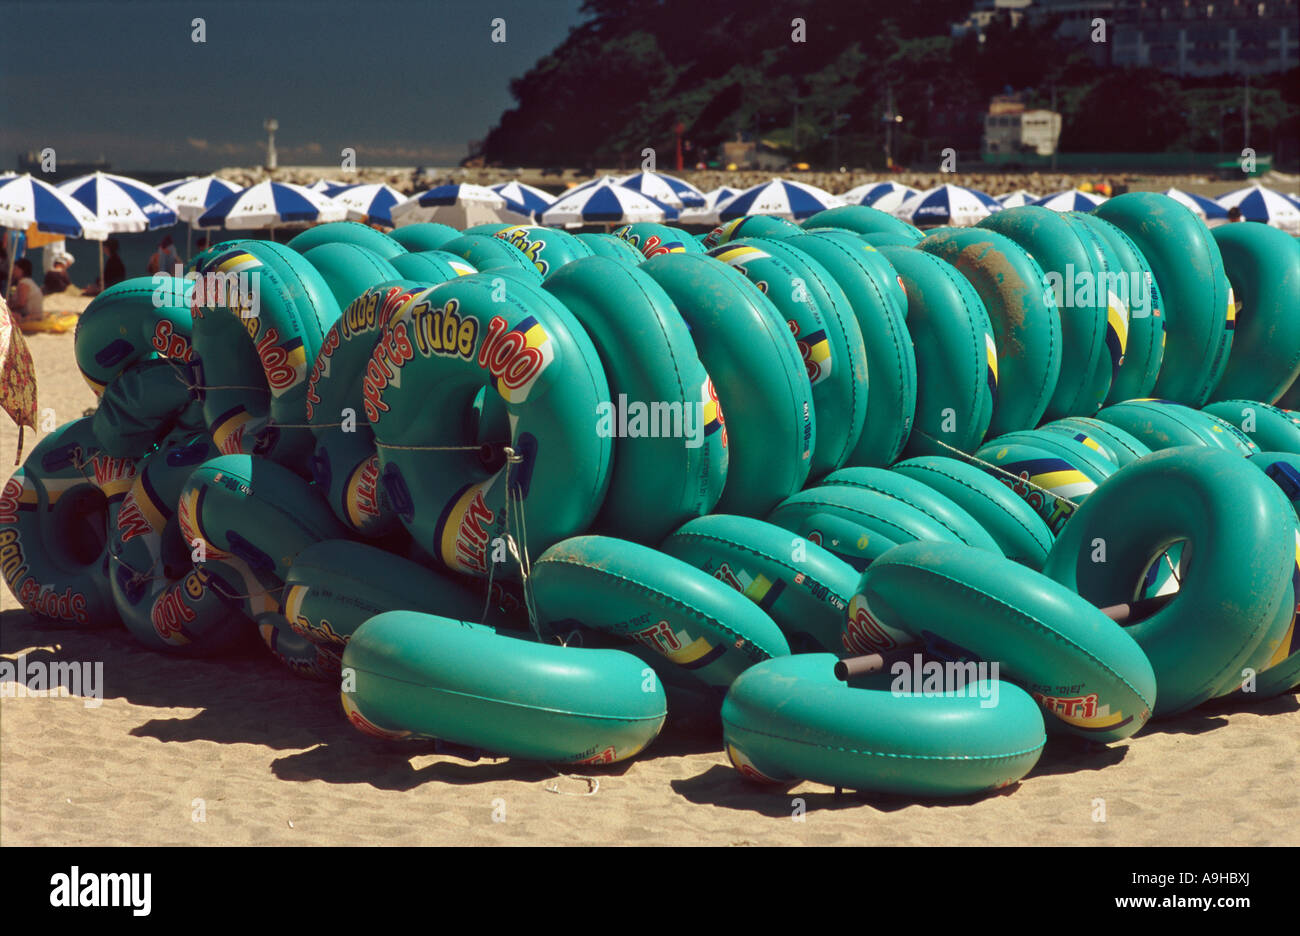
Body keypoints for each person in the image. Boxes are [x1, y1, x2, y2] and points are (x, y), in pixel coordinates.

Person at [9, 258, 44, 323]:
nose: (13, 271)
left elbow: (21, 303)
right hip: (35, 315)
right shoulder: (29, 282)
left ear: (21, 270)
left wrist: (7, 306)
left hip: (30, 316)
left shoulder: (23, 283)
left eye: (15, 269)